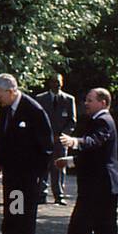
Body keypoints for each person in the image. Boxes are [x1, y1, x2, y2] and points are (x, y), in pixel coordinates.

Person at [57, 88, 118, 234]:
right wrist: (69, 161)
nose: (86, 103)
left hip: (100, 185)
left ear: (102, 103)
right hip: (99, 184)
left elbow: (94, 142)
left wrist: (74, 141)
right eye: (86, 99)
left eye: (90, 100)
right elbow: (94, 155)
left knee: (87, 227)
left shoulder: (103, 121)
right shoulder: (97, 120)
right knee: (99, 229)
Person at [0, 74, 52, 234]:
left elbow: (46, 148)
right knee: (11, 220)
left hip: (26, 181)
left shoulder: (33, 110)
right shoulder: (6, 110)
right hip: (13, 179)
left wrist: (38, 180)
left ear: (10, 91)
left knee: (22, 223)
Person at [36, 74, 77, 205]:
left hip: (61, 140)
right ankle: (41, 194)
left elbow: (72, 121)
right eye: (54, 82)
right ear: (50, 83)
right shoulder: (40, 99)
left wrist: (62, 135)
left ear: (62, 83)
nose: (57, 85)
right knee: (43, 166)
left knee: (59, 167)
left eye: (59, 82)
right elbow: (37, 119)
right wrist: (46, 135)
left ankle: (59, 195)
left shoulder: (69, 99)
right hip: (44, 140)